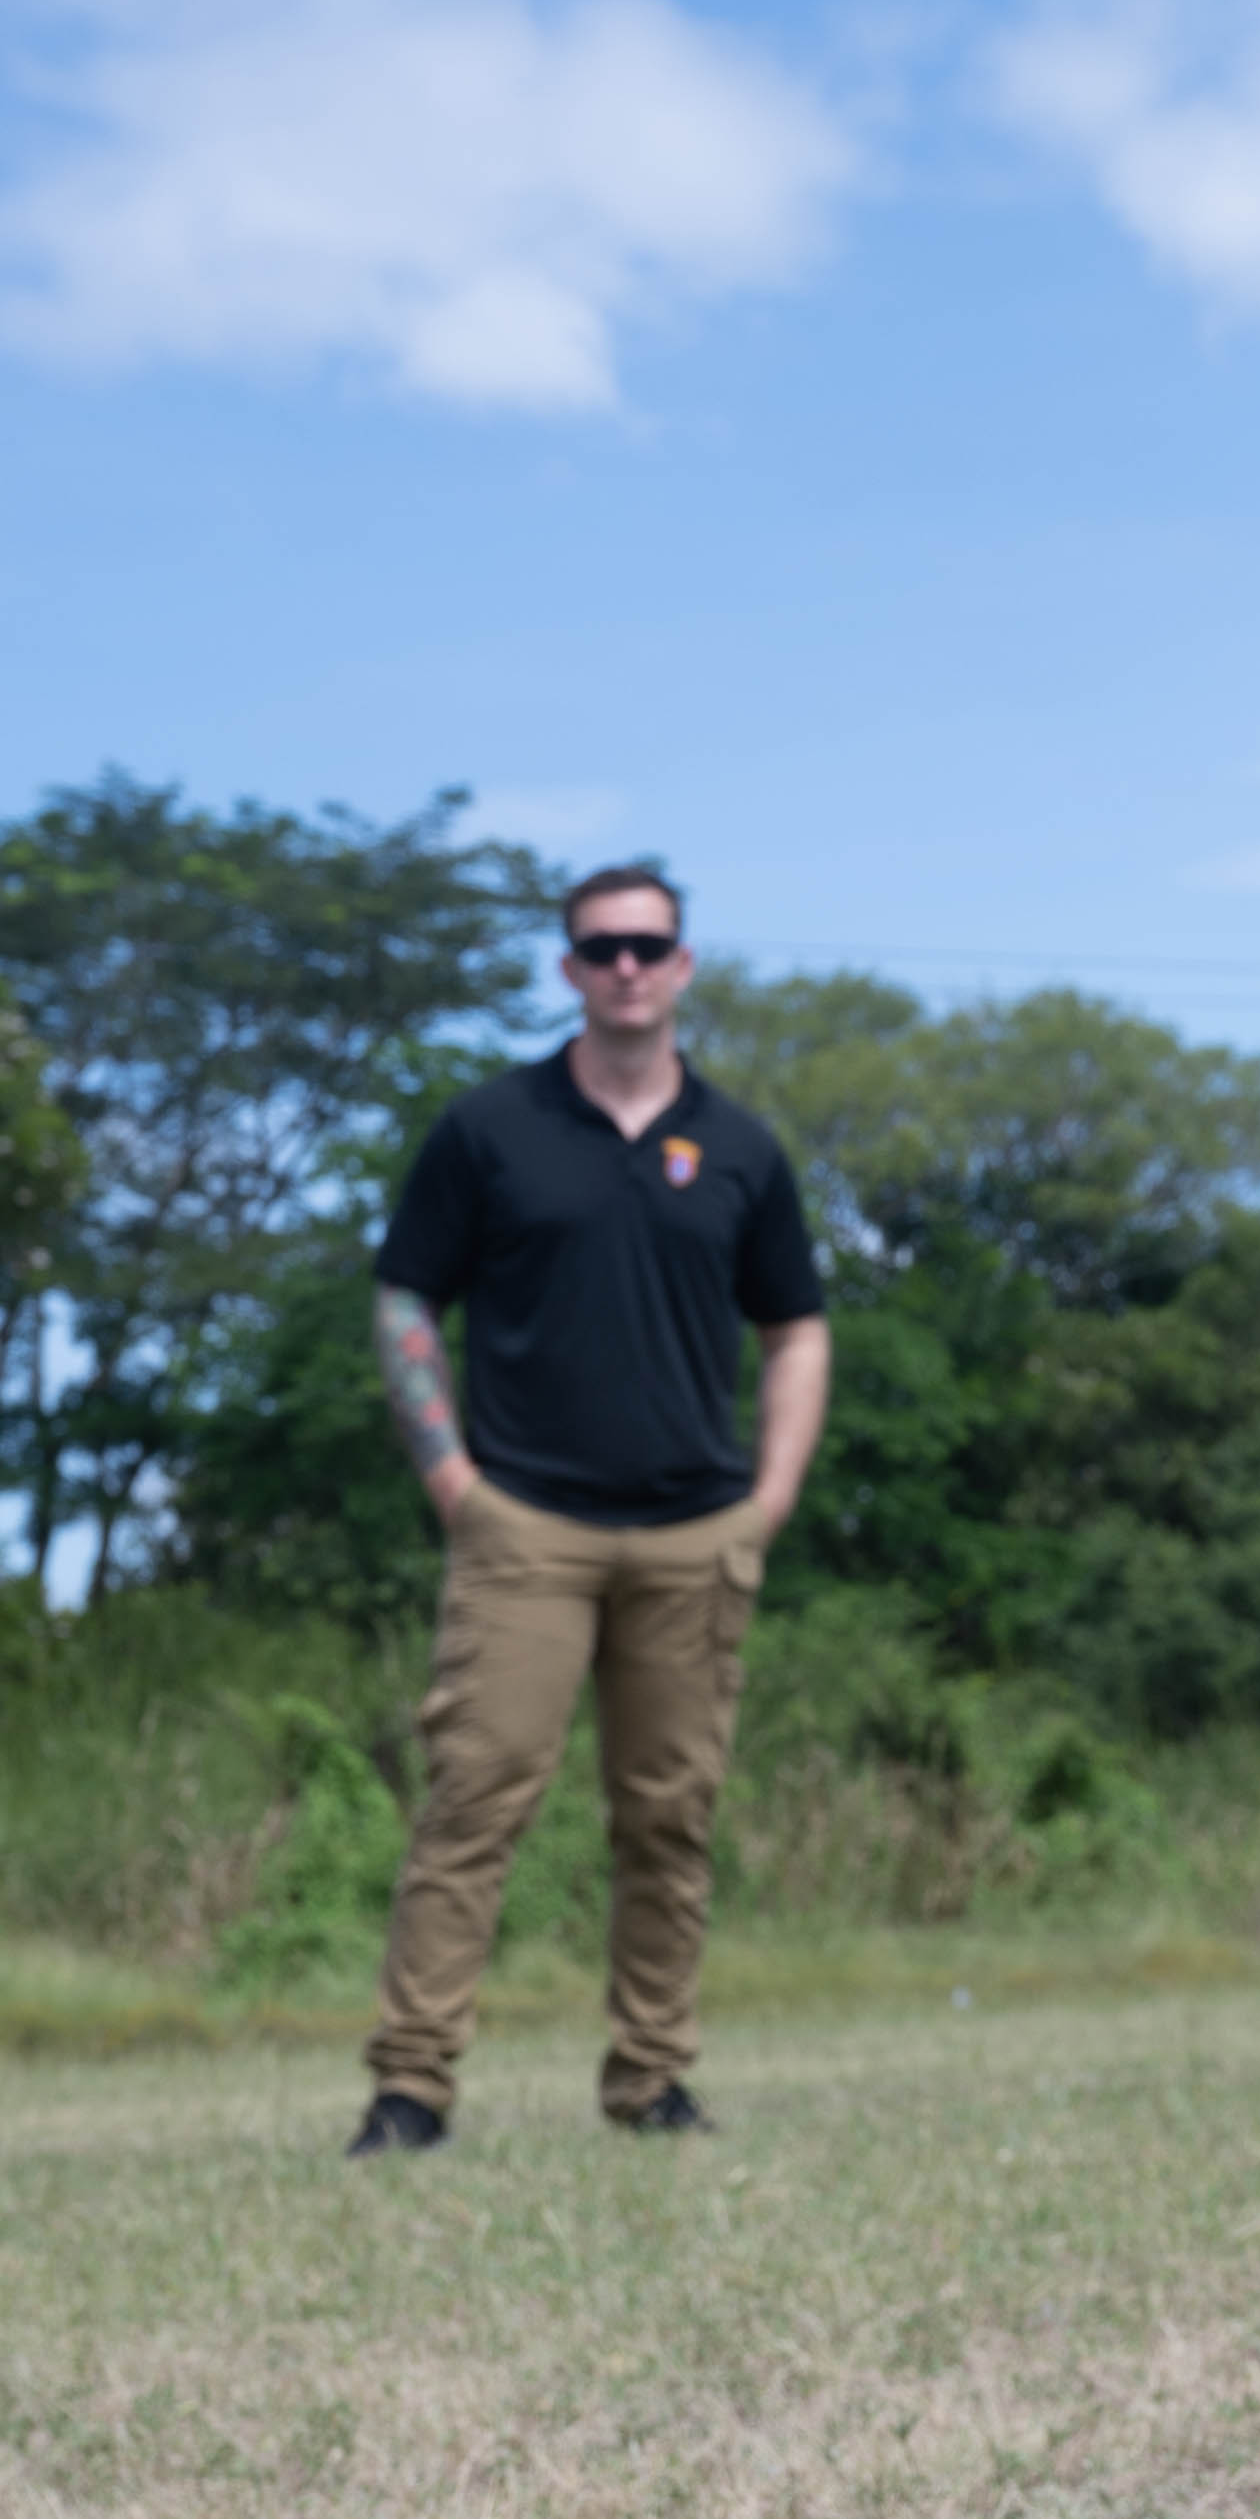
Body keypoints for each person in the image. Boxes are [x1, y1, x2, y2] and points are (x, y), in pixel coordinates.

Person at [345, 865, 831, 2155]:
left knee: (670, 1818)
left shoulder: (739, 1148)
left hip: (695, 1532)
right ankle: (410, 2091)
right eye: (602, 947)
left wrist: (771, 1496)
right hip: (525, 1527)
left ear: (683, 966)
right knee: (473, 1802)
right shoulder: (491, 1128)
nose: (626, 968)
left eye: (648, 947)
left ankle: (652, 2080)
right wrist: (451, 1479)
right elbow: (404, 1295)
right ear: (568, 968)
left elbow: (796, 1326)